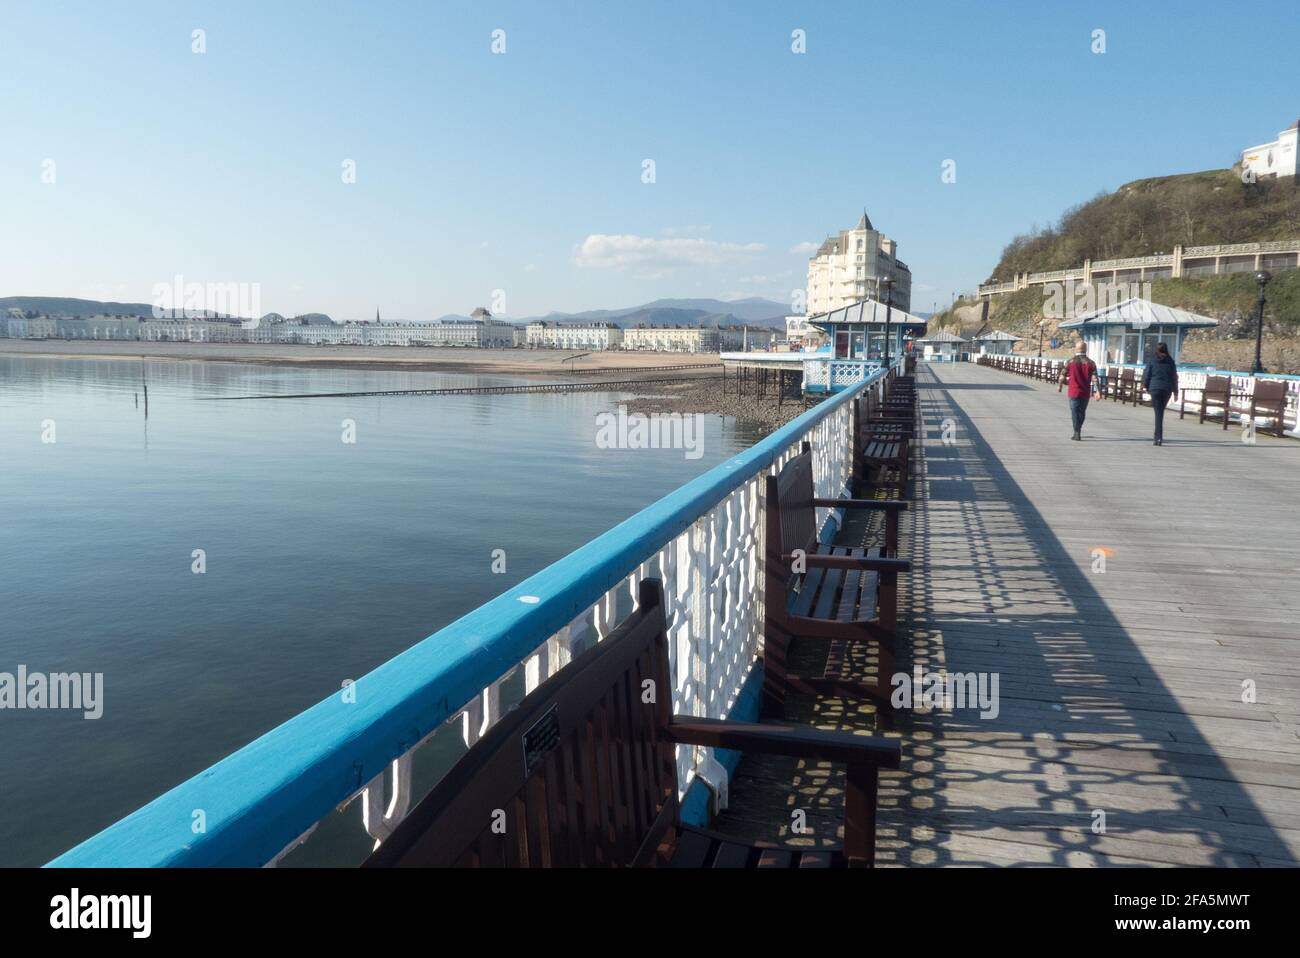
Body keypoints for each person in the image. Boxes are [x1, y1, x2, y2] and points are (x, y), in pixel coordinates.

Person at [1142, 341, 1179, 446]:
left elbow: (1147, 374)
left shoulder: (1152, 360)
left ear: (1157, 349)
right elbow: (1174, 377)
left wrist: (1145, 386)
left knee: (1158, 413)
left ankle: (1158, 437)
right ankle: (1158, 437)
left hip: (1155, 389)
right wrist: (1176, 392)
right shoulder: (1170, 361)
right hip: (1166, 389)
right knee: (1160, 412)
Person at [1065, 340, 1102, 440]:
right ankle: (1078, 429)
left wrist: (1060, 385)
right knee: (1082, 412)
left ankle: (1076, 431)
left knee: (1074, 411)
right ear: (1086, 349)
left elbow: (1061, 375)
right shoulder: (1091, 363)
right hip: (1085, 392)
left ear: (1076, 349)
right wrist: (1097, 391)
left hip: (1073, 391)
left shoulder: (1070, 361)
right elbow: (1095, 378)